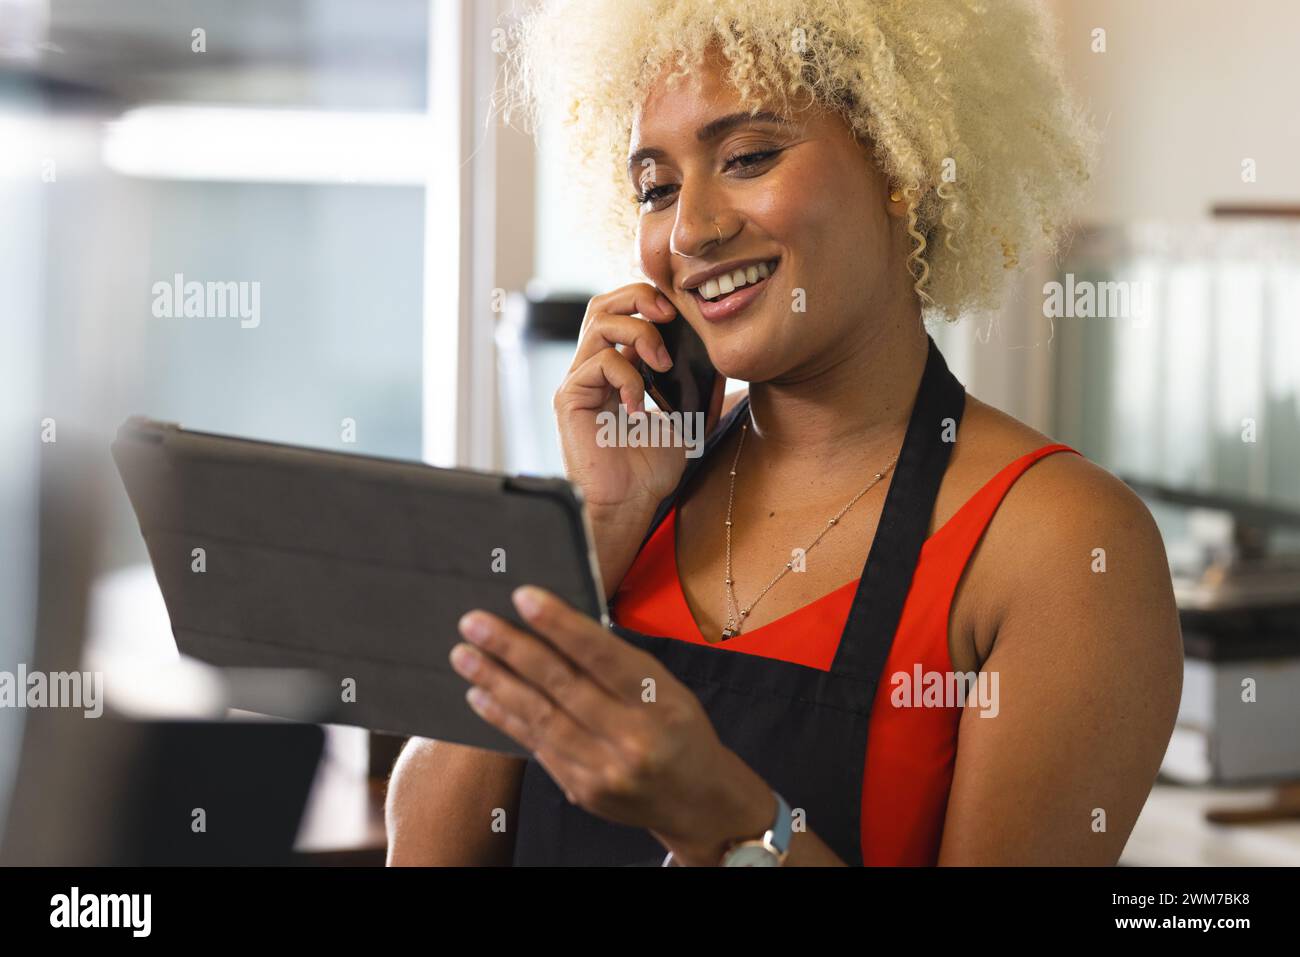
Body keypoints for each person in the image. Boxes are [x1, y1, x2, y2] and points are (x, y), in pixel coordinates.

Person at [386, 0, 1183, 866]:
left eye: (749, 157)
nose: (691, 228)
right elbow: (427, 846)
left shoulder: (1062, 545)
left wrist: (724, 815)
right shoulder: (633, 501)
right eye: (656, 188)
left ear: (898, 159)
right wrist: (594, 534)